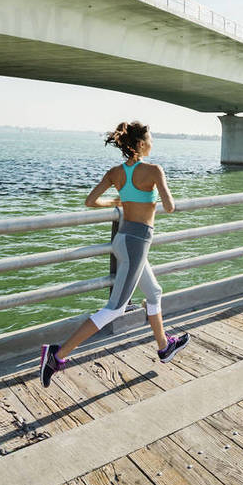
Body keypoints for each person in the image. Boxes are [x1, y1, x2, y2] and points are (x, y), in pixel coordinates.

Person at [39, 121, 188, 387]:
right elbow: (170, 207)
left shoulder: (115, 173)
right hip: (137, 243)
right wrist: (158, 191)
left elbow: (90, 201)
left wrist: (117, 201)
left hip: (123, 240)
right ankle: (56, 355)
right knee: (115, 308)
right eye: (150, 140)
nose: (152, 144)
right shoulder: (154, 170)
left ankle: (164, 346)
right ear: (140, 144)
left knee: (154, 292)